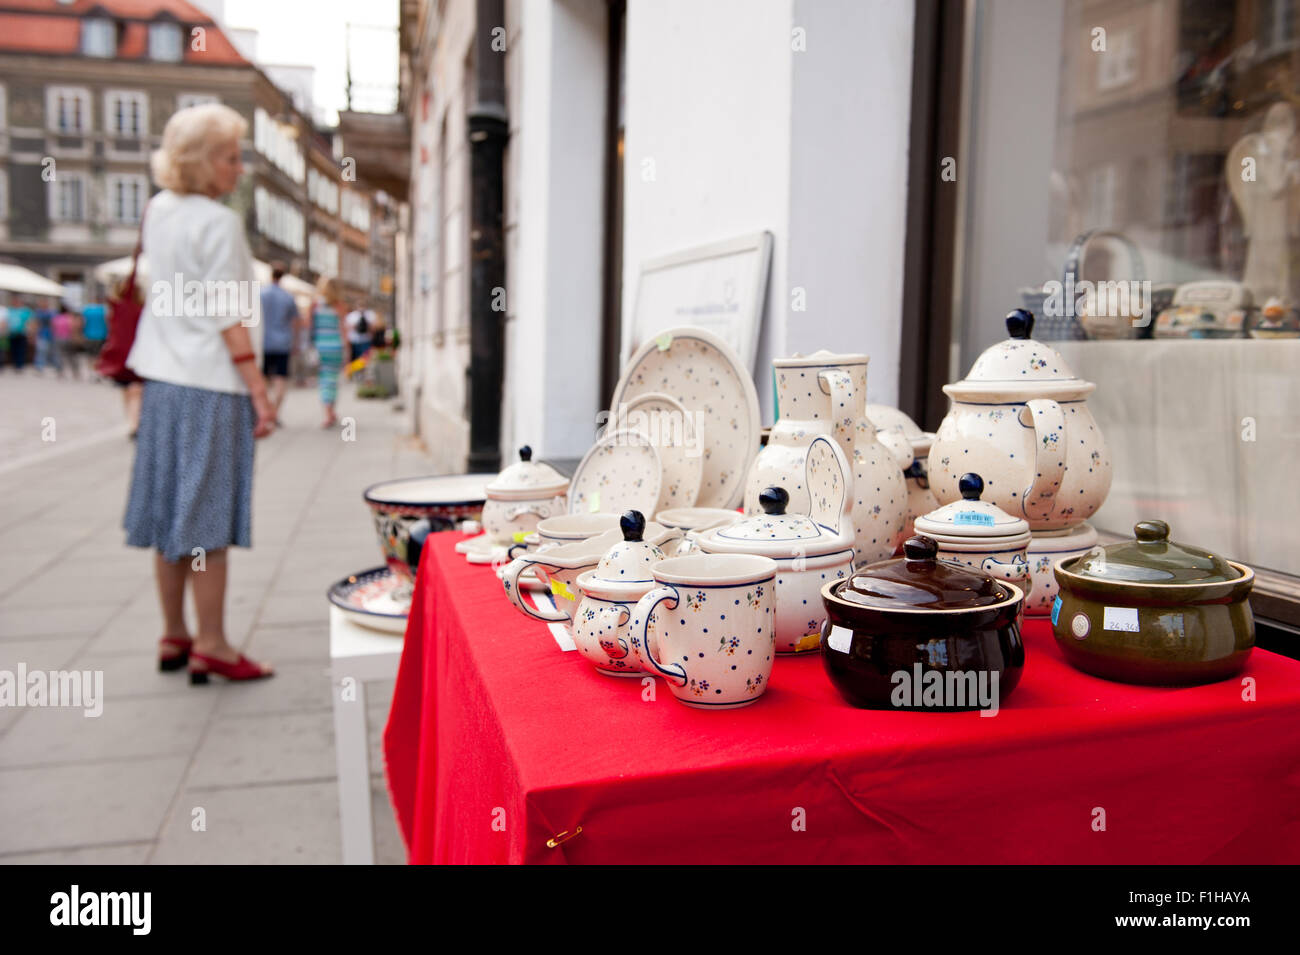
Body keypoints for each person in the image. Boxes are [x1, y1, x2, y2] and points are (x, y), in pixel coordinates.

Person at [122, 102, 275, 684]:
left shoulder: (158, 210)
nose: (239, 170)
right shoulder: (219, 223)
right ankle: (213, 641)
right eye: (231, 158)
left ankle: (174, 633)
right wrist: (260, 392)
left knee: (169, 517)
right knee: (207, 522)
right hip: (211, 385)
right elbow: (230, 317)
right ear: (204, 161)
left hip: (161, 382)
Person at [259, 262, 297, 421]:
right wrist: (295, 343)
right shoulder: (288, 297)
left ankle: (264, 410)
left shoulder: (260, 294)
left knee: (263, 379)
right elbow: (295, 323)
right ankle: (274, 411)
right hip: (282, 343)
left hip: (263, 342)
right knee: (280, 379)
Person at [312, 276, 348, 428]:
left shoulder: (315, 305)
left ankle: (328, 413)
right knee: (332, 379)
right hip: (335, 347)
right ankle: (330, 411)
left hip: (321, 346)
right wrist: (347, 348)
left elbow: (310, 327)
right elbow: (343, 329)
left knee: (324, 379)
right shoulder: (339, 306)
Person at [52, 302, 81, 379]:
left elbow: (53, 328)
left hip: (58, 338)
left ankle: (60, 372)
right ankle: (75, 372)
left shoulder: (56, 318)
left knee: (59, 356)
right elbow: (73, 328)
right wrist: (76, 337)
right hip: (69, 338)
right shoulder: (69, 318)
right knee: (72, 356)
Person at [7, 298, 32, 369]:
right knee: (13, 349)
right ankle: (15, 364)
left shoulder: (25, 311)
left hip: (22, 333)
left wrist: (30, 333)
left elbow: (29, 322)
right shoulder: (10, 310)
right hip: (12, 333)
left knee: (21, 350)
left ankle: (20, 365)